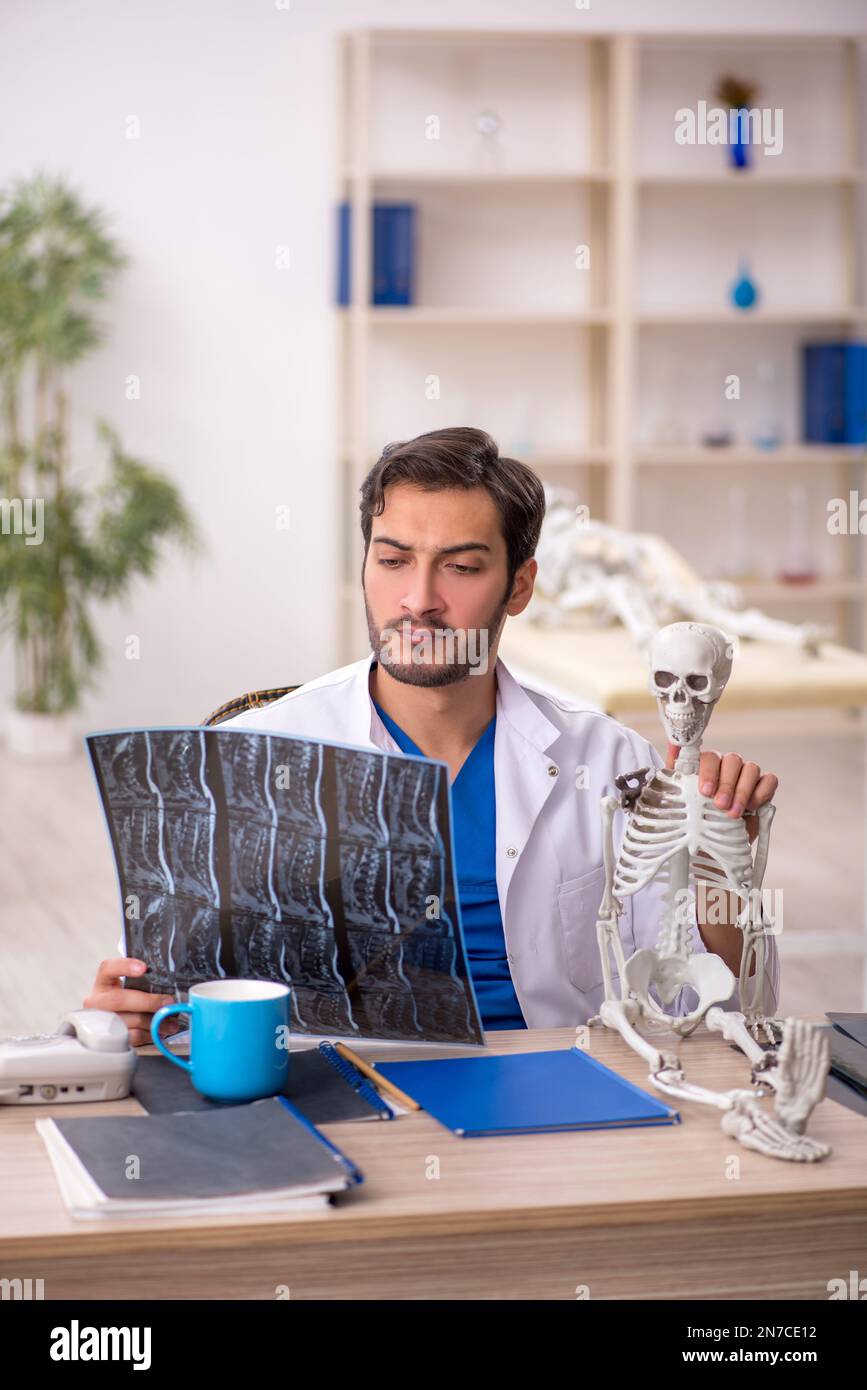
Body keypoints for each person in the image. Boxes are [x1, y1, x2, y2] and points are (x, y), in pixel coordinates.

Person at [85, 427, 779, 1044]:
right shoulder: (253, 754)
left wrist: (721, 872)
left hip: (556, 1090)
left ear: (519, 586)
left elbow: (712, 1010)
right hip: (338, 1090)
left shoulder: (611, 763)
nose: (418, 600)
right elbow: (157, 1003)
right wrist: (127, 1016)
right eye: (393, 561)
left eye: (461, 567)